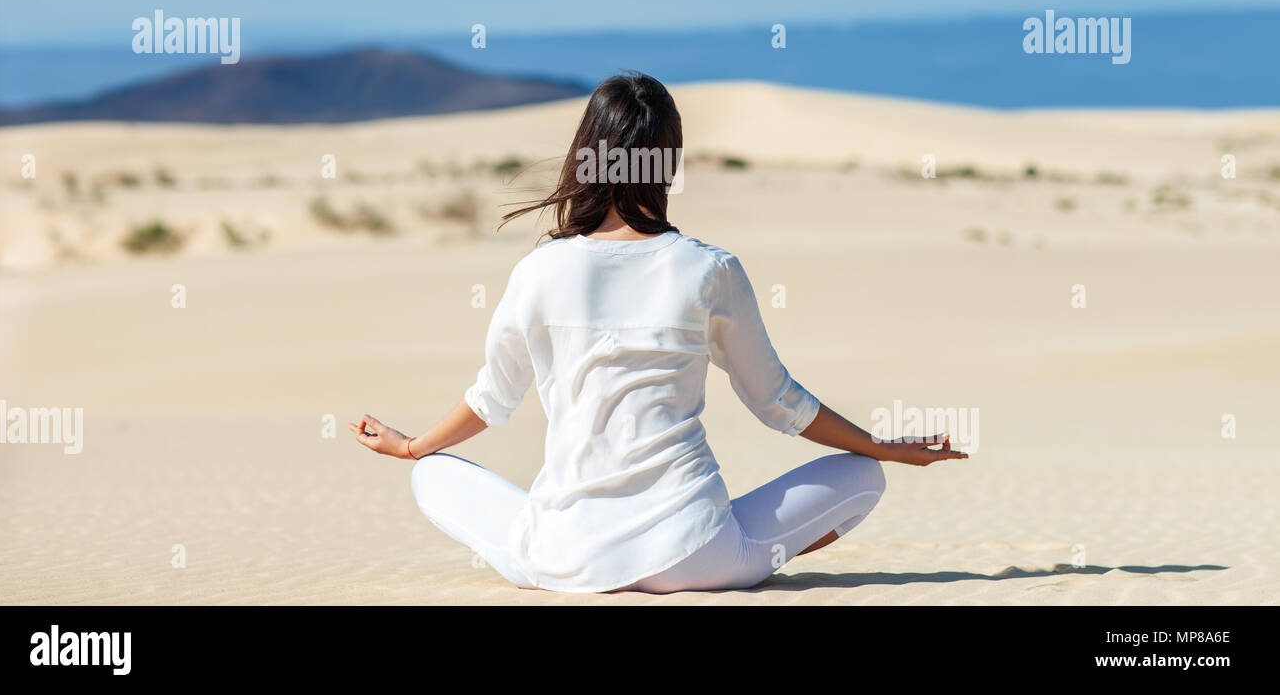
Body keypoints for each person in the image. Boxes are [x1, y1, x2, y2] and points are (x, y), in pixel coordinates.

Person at [350, 72, 966, 593]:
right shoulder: (709, 269)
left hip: (562, 559)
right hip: (696, 554)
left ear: (583, 153)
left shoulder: (540, 270)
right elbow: (778, 404)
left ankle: (621, 565)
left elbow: (492, 399)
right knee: (863, 477)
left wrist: (410, 446)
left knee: (431, 474)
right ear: (668, 161)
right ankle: (743, 572)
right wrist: (881, 447)